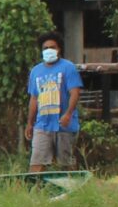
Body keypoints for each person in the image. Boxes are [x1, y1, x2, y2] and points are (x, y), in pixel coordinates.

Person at [26, 32, 83, 171]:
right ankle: (35, 190)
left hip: (63, 125)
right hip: (42, 124)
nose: (49, 50)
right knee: (36, 162)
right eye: (45, 48)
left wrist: (68, 114)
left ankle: (71, 189)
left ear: (59, 49)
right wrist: (30, 123)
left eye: (52, 47)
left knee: (65, 164)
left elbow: (75, 92)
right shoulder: (36, 71)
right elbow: (34, 99)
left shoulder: (68, 67)